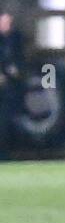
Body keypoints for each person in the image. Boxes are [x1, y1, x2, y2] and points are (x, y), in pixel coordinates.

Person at [0, 11, 25, 160]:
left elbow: (21, 61)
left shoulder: (16, 39)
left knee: (9, 122)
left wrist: (17, 71)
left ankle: (8, 153)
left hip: (11, 91)